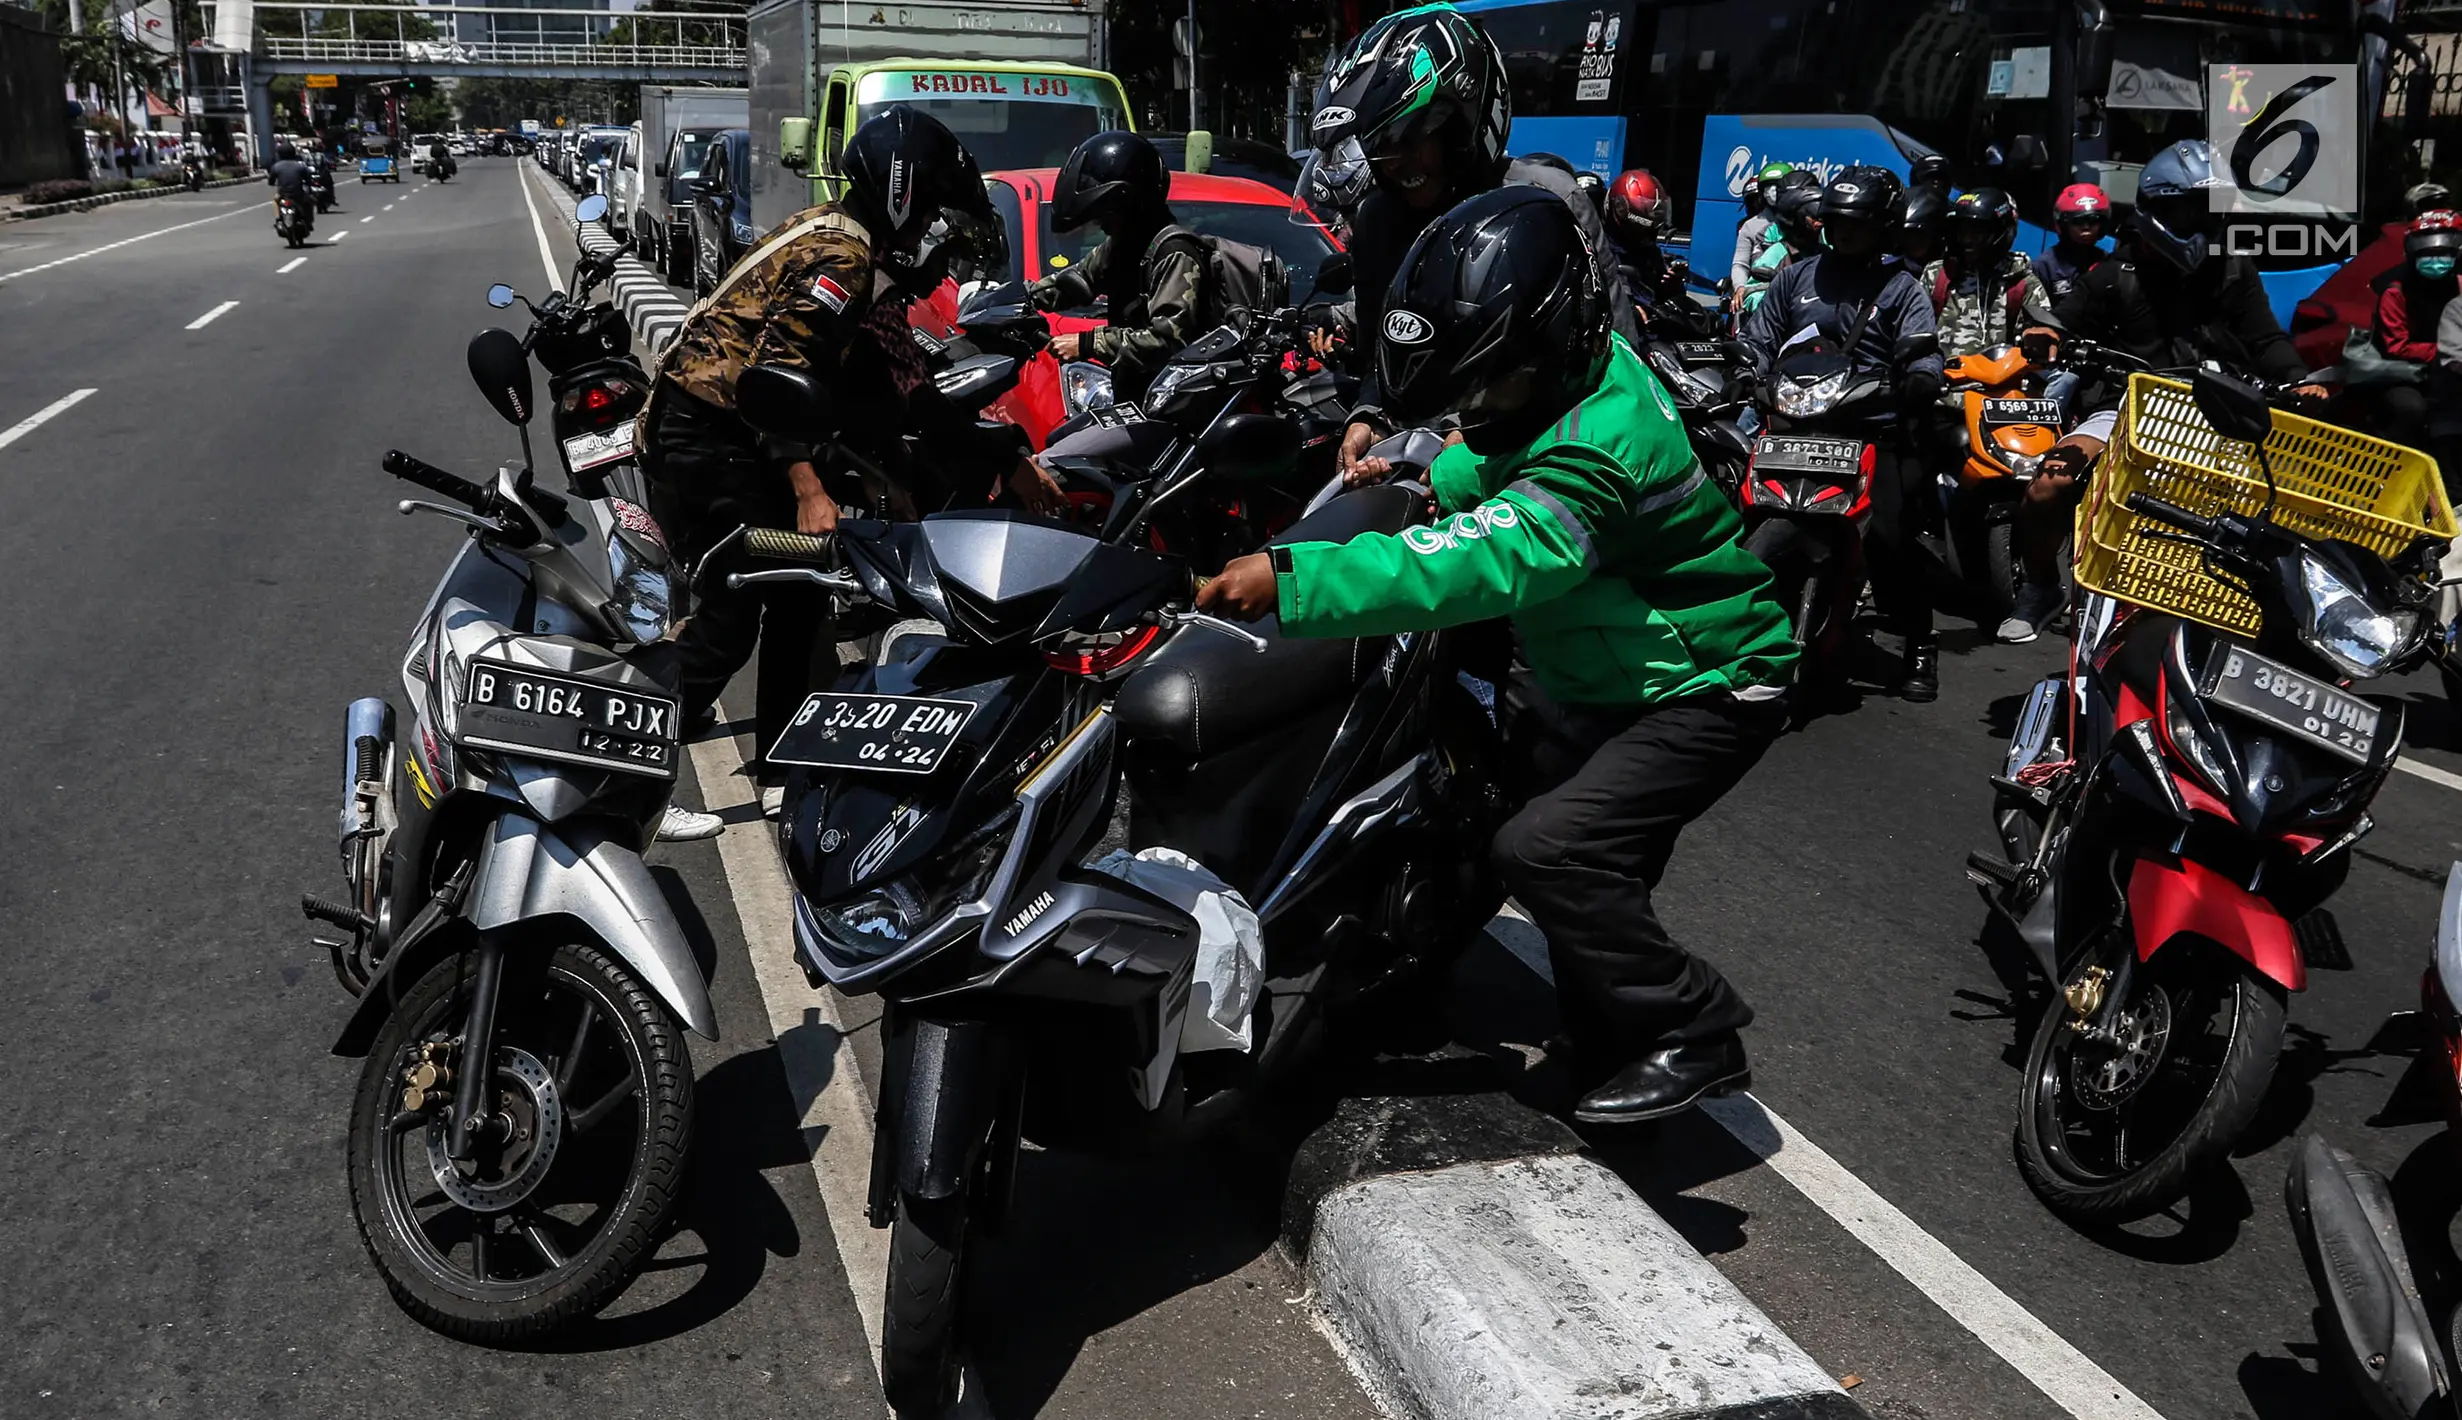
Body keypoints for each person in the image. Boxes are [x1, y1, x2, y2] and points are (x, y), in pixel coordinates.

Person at [1198, 187, 1797, 1123]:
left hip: (1706, 686)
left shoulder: (1606, 443)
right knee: (1525, 845)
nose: (1483, 404)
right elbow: (1494, 450)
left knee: (1549, 849)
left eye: (1495, 382)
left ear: (1557, 339)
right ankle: (1605, 1045)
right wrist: (1416, 467)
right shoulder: (1564, 381)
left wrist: (1296, 576)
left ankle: (1695, 1025)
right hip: (1599, 673)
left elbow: (1501, 553)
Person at [643, 107, 1063, 822]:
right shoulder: (842, 258)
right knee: (735, 613)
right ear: (903, 196)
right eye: (932, 212)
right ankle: (630, 775)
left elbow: (908, 392)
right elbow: (777, 376)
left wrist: (1006, 458)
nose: (937, 239)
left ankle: (782, 769)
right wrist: (808, 489)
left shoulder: (854, 249)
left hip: (734, 434)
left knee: (800, 598)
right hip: (710, 435)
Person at [2001, 139, 2328, 644]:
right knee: (2049, 487)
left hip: (2216, 416)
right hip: (2127, 410)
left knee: (2286, 509)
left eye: (2207, 211)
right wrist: (2047, 336)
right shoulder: (2116, 273)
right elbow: (2062, 323)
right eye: (2186, 211)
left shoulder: (2234, 268)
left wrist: (2302, 381)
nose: (2199, 223)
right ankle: (2043, 586)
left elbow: (2265, 338)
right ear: (2155, 212)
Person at [1298, 3, 1640, 483]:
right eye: (1380, 146)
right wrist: (1368, 415)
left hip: (1537, 468)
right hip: (1421, 472)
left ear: (1463, 120)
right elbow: (1387, 356)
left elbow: (1614, 359)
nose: (1394, 162)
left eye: (1410, 137)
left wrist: (1476, 431)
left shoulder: (1546, 201)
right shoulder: (1377, 219)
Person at [1741, 165, 1947, 699]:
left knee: (1891, 537)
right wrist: (1748, 366)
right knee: (1736, 509)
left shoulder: (1903, 289)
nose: (1844, 231)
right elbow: (1760, 340)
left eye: (1857, 222)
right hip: (1794, 424)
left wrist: (1919, 379)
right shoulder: (1795, 275)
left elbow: (1926, 353)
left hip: (1871, 431)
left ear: (1883, 226)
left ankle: (1921, 644)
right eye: (1836, 221)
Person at [1026, 131, 1205, 401]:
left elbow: (1167, 340)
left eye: (1108, 213)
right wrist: (1024, 298)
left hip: (1168, 412)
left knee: (1069, 446)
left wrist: (1087, 343)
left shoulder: (1174, 253)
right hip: (1130, 397)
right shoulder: (1124, 246)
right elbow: (1078, 279)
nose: (1102, 224)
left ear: (1131, 205)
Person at [2361, 209, 2461, 450]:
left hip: (2451, 370)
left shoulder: (2459, 284)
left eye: (2443, 253)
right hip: (2406, 373)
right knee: (2409, 408)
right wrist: (2446, 353)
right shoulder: (2396, 292)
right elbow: (2397, 347)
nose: (2436, 260)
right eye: (2427, 253)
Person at [1924, 187, 2039, 359]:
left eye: (1978, 231)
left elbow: (2038, 341)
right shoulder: (1937, 275)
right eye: (1962, 231)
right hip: (1940, 381)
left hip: (2000, 383)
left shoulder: (2022, 283)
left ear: (2002, 232)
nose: (1967, 240)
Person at [1604, 167, 1696, 327]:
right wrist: (1629, 308)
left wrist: (1671, 285)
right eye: (1640, 219)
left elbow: (1657, 295)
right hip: (1620, 328)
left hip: (1652, 327)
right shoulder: (1602, 248)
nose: (1645, 229)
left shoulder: (1650, 251)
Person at [1734, 170, 1822, 319]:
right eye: (1810, 214)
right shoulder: (1776, 248)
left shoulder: (1829, 245)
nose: (1818, 222)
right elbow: (1751, 293)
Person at [2029, 183, 2112, 312]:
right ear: (2064, 225)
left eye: (2093, 220)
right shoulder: (2044, 267)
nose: (2086, 228)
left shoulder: (2108, 262)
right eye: (2078, 221)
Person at [1730, 159, 1798, 294]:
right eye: (1768, 187)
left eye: (1778, 186)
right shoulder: (1751, 226)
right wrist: (1740, 287)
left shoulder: (1801, 220)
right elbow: (1740, 264)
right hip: (1759, 292)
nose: (1772, 191)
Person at [266, 143, 313, 236]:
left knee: (275, 201)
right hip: (298, 193)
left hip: (283, 194)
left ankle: (278, 219)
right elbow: (308, 179)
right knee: (310, 201)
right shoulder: (300, 165)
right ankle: (309, 221)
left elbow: (271, 181)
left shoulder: (276, 166)